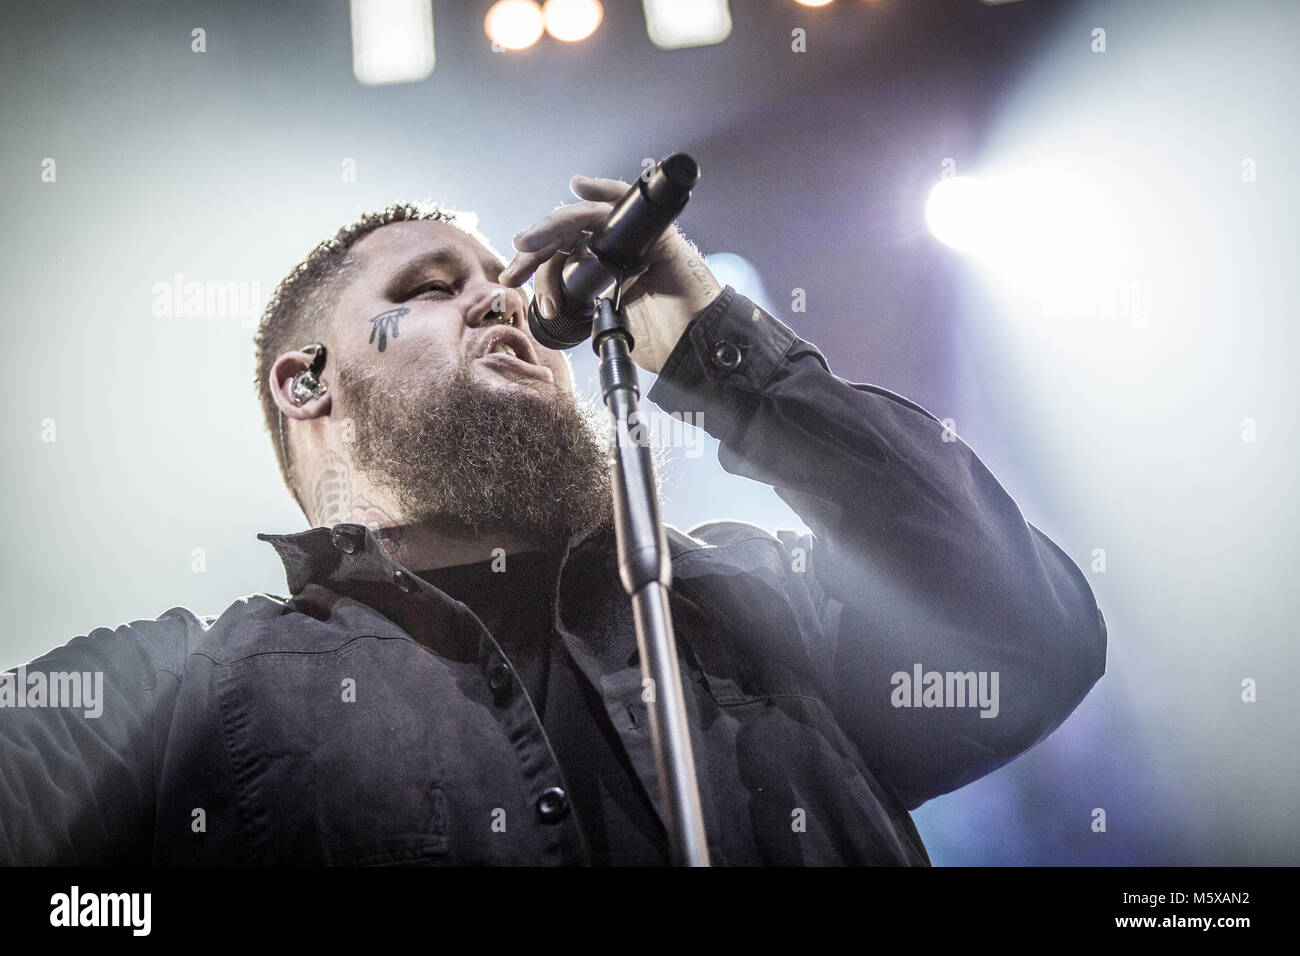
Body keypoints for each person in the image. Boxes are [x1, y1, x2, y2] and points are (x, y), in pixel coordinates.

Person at [0, 174, 1106, 866]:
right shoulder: (173, 690)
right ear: (307, 384)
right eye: (429, 287)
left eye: (499, 280)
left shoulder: (759, 599)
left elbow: (1027, 636)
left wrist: (723, 351)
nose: (501, 298)